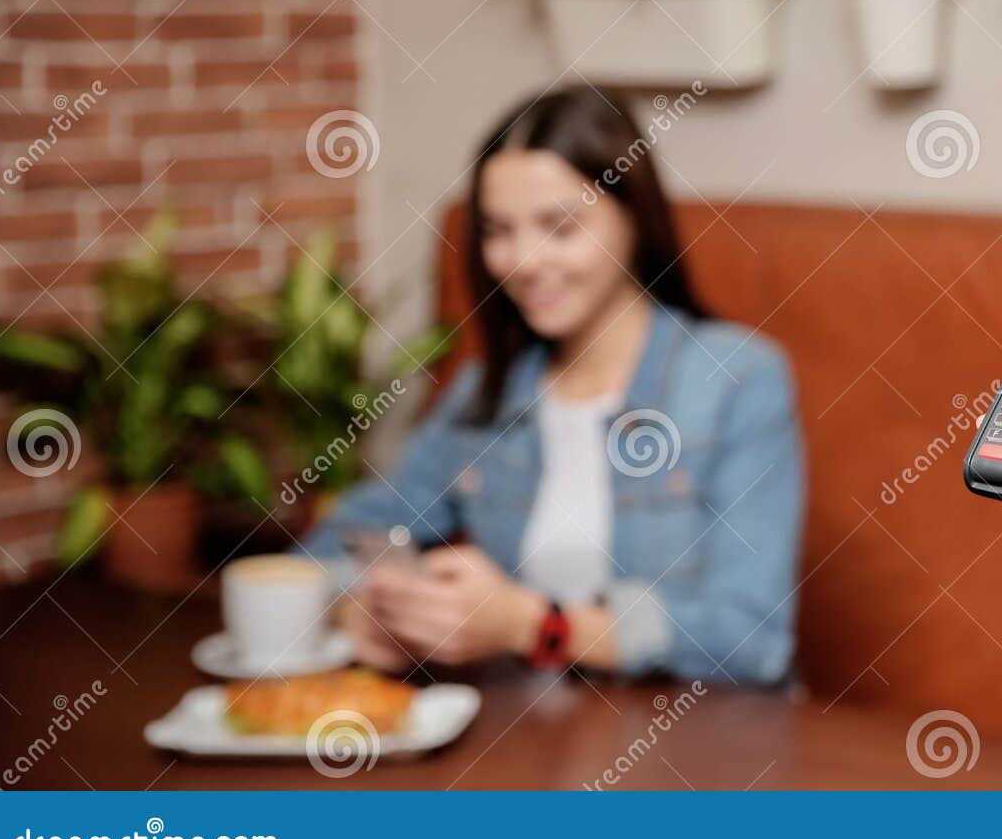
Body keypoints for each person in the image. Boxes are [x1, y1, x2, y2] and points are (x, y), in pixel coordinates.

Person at [299, 85, 805, 684]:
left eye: (559, 228)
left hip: (695, 751)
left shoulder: (739, 381)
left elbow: (751, 640)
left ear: (635, 220)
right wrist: (357, 607)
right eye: (497, 230)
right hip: (533, 742)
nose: (523, 261)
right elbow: (339, 538)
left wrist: (534, 626)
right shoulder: (485, 390)